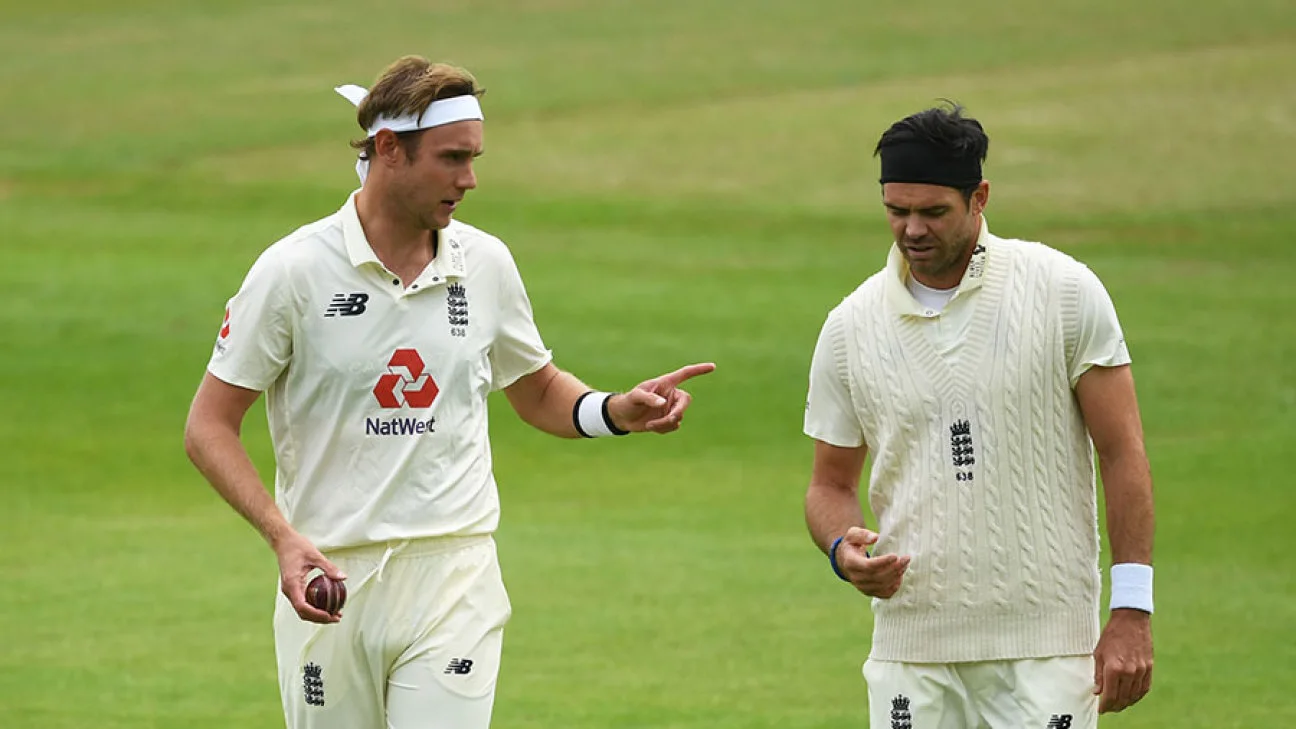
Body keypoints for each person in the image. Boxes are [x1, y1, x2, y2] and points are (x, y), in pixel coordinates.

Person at [183, 55, 714, 729]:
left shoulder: (485, 263)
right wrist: (282, 537)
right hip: (331, 578)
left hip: (454, 574)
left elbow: (536, 386)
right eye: (452, 158)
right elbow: (208, 426)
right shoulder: (292, 272)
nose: (470, 179)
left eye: (474, 157)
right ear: (388, 150)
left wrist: (613, 411)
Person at [802, 103, 1155, 728]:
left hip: (1046, 648)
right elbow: (829, 485)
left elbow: (1122, 452)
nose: (912, 229)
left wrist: (1131, 612)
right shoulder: (848, 328)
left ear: (979, 198)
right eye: (896, 210)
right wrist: (841, 549)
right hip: (912, 648)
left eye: (933, 211)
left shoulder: (1064, 292)